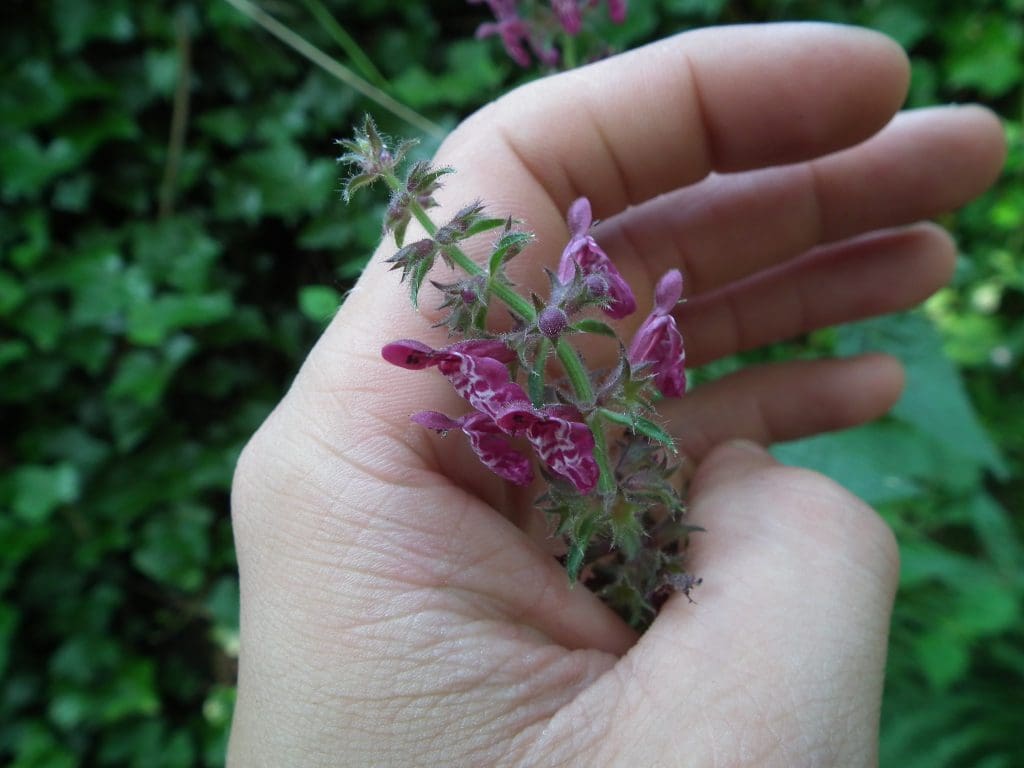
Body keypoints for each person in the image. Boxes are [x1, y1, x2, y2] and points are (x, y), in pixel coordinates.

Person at [227, 23, 1005, 767]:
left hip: (619, 479)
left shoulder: (562, 311)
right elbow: (503, 422)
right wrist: (480, 394)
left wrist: (626, 317)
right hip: (583, 503)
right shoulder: (487, 383)